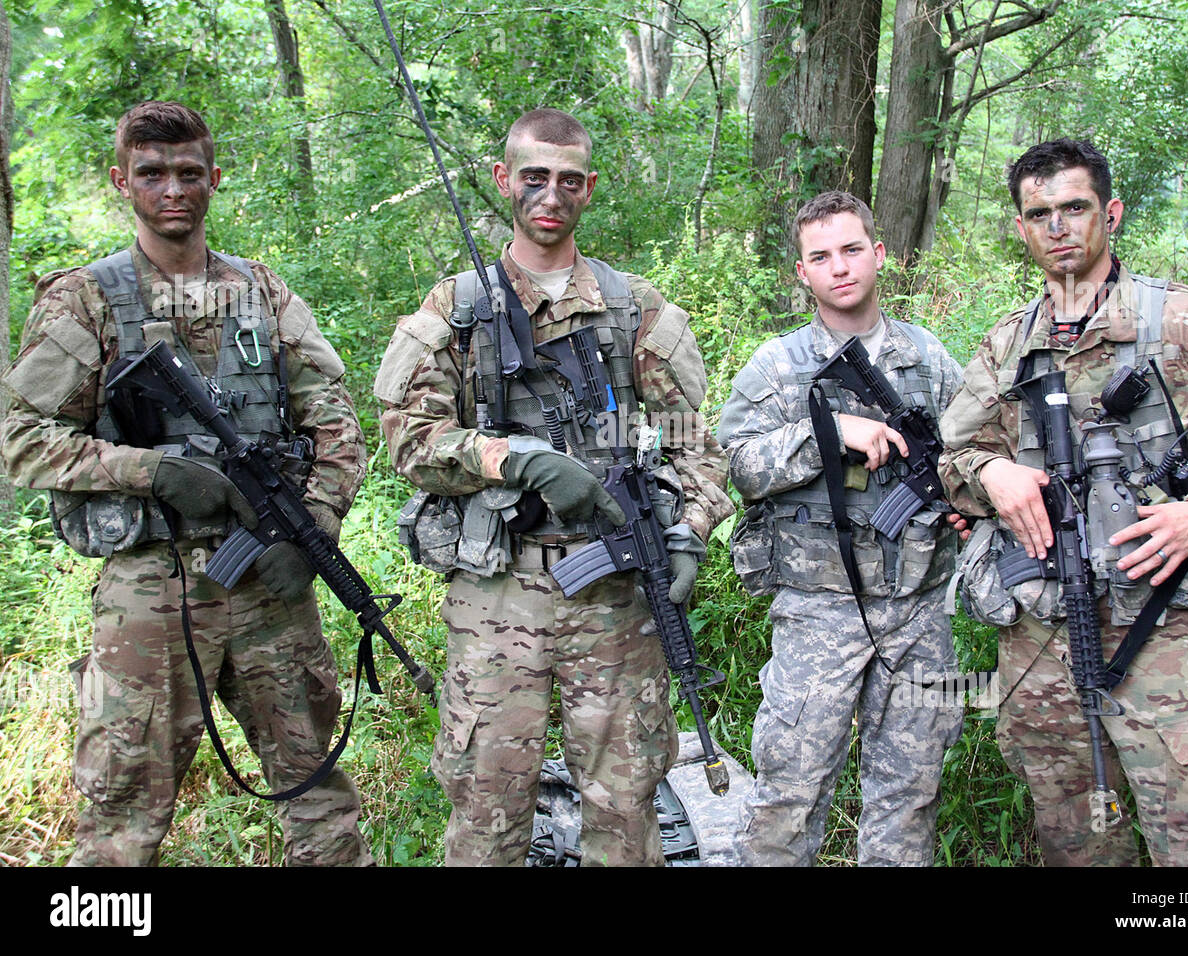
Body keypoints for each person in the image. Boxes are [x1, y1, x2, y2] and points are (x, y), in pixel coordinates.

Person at [0, 101, 372, 866]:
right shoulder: (87, 299)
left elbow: (337, 421)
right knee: (121, 815)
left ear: (215, 179)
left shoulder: (263, 295)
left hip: (272, 583)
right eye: (152, 174)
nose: (173, 189)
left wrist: (316, 525)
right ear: (121, 182)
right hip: (151, 591)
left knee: (320, 799)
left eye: (189, 173)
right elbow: (19, 438)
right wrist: (150, 470)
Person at [374, 107, 732, 866]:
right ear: (505, 180)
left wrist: (689, 533)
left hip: (615, 597)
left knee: (627, 806)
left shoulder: (635, 307)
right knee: (486, 807)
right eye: (534, 177)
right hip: (498, 594)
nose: (551, 194)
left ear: (589, 189)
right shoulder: (459, 308)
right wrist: (514, 460)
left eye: (569, 181)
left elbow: (695, 444)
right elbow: (409, 440)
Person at [938, 138, 1188, 866]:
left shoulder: (1185, 325)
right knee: (1073, 831)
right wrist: (992, 477)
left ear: (1111, 212)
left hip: (1158, 624)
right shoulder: (1006, 346)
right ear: (1020, 228)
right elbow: (947, 457)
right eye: (1039, 214)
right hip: (1041, 624)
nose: (1058, 227)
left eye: (1075, 208)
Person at [718, 191, 967, 866]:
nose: (840, 268)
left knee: (908, 797)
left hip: (920, 614)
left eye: (853, 250)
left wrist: (968, 503)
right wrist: (829, 434)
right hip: (817, 612)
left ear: (879, 255)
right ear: (802, 272)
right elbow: (734, 461)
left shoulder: (929, 358)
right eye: (820, 256)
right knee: (788, 797)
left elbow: (976, 453)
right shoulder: (777, 365)